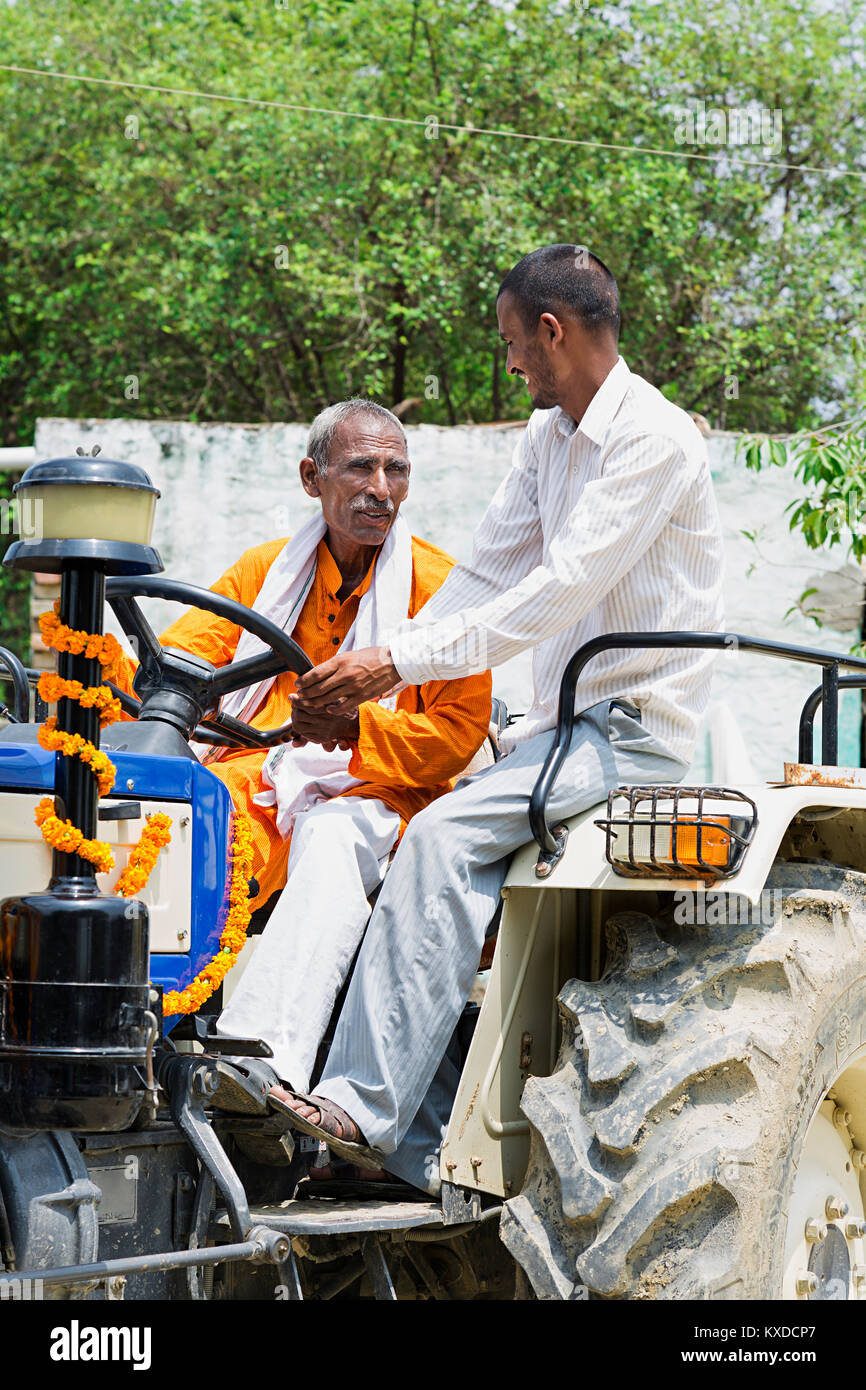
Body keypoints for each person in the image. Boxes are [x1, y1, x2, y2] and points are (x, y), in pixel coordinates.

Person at [262, 244, 726, 1190]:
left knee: (439, 839)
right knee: (375, 831)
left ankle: (359, 1110)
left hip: (633, 732)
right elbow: (487, 575)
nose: (511, 364)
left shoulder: (656, 440)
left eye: (515, 344)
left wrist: (392, 658)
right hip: (555, 732)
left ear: (551, 333)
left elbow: (558, 592)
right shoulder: (544, 439)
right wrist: (373, 681)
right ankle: (404, 1134)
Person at [108, 399, 492, 1176]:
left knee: (332, 833)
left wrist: (356, 731)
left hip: (388, 792)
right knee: (185, 831)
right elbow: (184, 661)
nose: (380, 488)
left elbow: (454, 738)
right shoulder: (264, 572)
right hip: (267, 776)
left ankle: (259, 1070)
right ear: (312, 477)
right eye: (360, 467)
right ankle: (129, 1054)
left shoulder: (441, 587)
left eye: (395, 470)